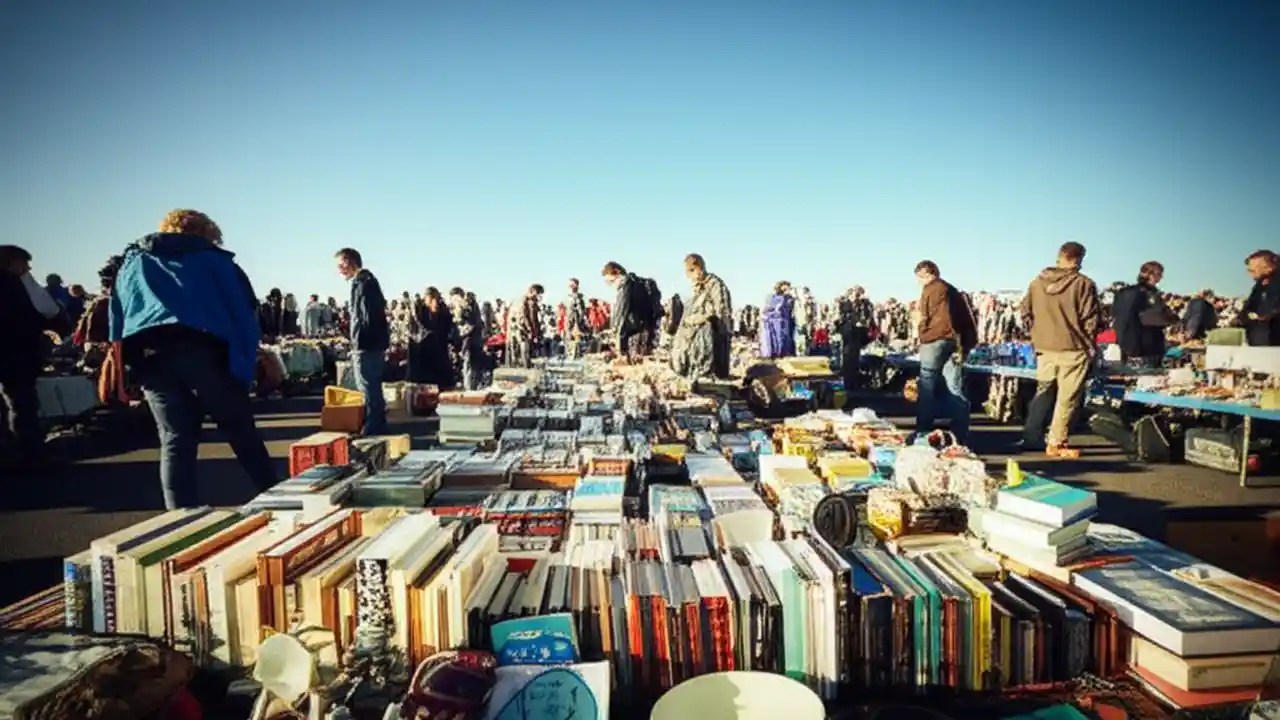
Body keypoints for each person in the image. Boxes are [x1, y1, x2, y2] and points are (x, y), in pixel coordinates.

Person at [109, 210, 277, 508]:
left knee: (175, 441)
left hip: (151, 358)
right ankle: (280, 502)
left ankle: (179, 519)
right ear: (206, 232)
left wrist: (126, 368)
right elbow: (242, 313)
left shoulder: (133, 263)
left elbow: (118, 319)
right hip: (206, 352)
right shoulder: (215, 261)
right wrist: (245, 364)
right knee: (241, 433)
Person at [1019, 242, 1102, 458]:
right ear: (1079, 259)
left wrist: (1036, 334)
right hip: (1073, 347)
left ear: (1059, 257)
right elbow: (1090, 320)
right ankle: (1056, 441)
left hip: (1044, 347)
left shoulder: (1037, 283)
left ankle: (1031, 435)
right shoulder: (1084, 284)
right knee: (1067, 397)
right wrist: (1090, 345)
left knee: (1043, 392)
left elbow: (1025, 312)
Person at [0, 245, 61, 468]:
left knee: (15, 405)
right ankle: (32, 456)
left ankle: (15, 452)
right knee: (23, 406)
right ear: (11, 262)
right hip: (15, 356)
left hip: (11, 355)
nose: (27, 268)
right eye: (24, 263)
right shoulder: (11, 285)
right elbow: (30, 316)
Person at [913, 261, 978, 443]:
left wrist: (922, 334)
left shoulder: (929, 289)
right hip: (955, 341)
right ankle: (961, 430)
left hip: (934, 339)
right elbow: (966, 318)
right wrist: (966, 343)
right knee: (954, 385)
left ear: (925, 274)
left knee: (927, 385)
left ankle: (923, 430)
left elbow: (925, 317)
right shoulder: (953, 291)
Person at [335, 247, 390, 435]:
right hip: (374, 342)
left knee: (367, 385)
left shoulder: (361, 283)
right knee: (372, 384)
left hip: (366, 343)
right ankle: (377, 422)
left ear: (349, 261)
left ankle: (373, 425)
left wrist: (357, 339)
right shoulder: (369, 281)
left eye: (340, 265)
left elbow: (364, 317)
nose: (339, 270)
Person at [672, 253, 734, 380]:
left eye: (690, 271)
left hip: (715, 335)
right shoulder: (700, 287)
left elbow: (720, 313)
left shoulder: (715, 285)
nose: (689, 277)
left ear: (698, 267)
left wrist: (700, 318)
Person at [1112, 261, 1175, 366]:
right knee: (1149, 376)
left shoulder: (1124, 292)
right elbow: (1155, 317)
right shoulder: (1148, 294)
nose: (1161, 277)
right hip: (1147, 344)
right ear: (1150, 275)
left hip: (1125, 343)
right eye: (1159, 274)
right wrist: (1170, 318)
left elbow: (1116, 314)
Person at [601, 262, 652, 361]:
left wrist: (615, 331)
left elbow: (622, 311)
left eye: (611, 281)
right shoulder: (634, 284)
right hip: (639, 329)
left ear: (616, 272)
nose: (611, 285)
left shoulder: (625, 286)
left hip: (633, 331)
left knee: (633, 362)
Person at [837, 285, 877, 405]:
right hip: (848, 332)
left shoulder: (866, 304)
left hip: (859, 333)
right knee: (847, 357)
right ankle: (848, 382)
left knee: (855, 357)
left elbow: (870, 318)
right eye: (856, 293)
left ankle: (854, 382)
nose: (858, 296)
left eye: (860, 293)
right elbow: (840, 318)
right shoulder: (844, 304)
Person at [450, 287, 485, 390]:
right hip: (474, 337)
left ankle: (470, 388)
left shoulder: (465, 303)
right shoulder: (469, 302)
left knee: (469, 364)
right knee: (473, 364)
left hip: (469, 337)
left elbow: (467, 323)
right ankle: (473, 386)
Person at [1243, 250, 1280, 347]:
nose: (1249, 272)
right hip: (1260, 339)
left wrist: (1269, 316)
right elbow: (1249, 307)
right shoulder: (1260, 286)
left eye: (1253, 269)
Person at [760, 281, 796, 359]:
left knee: (784, 339)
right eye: (785, 287)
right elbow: (768, 309)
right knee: (774, 338)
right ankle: (774, 354)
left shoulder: (788, 298)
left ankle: (783, 353)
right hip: (773, 321)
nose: (787, 289)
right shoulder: (772, 297)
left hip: (784, 321)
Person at [563, 278, 588, 359]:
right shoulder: (568, 297)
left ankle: (576, 355)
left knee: (577, 337)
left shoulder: (578, 297)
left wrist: (580, 319)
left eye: (572, 284)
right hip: (569, 318)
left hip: (576, 319)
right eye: (570, 284)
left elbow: (581, 310)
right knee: (568, 336)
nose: (571, 286)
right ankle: (569, 354)